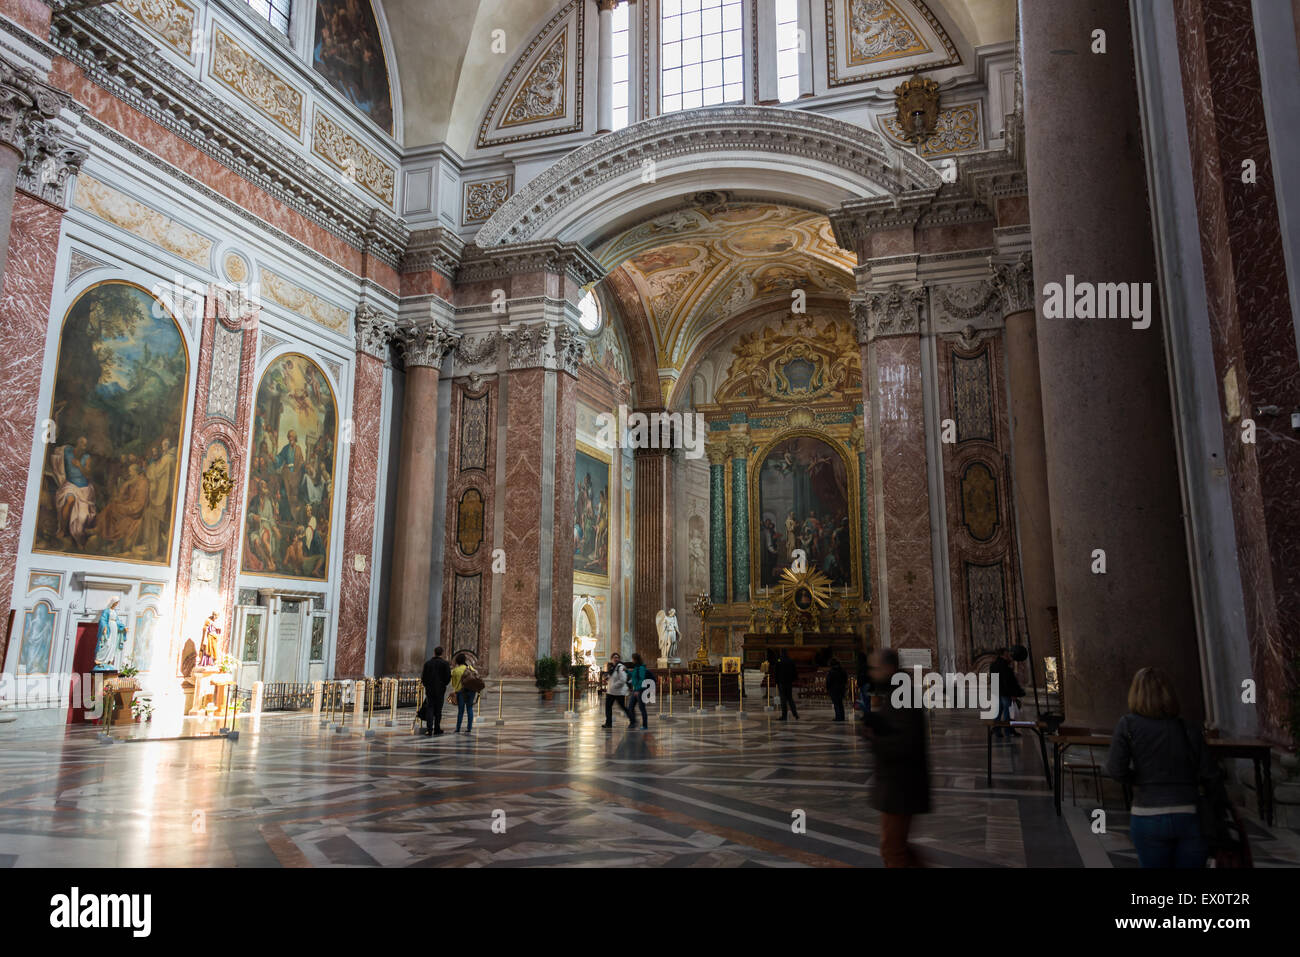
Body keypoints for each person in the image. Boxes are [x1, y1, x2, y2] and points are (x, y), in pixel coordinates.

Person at [1106, 667, 1219, 868]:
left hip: (1148, 813)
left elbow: (1115, 769)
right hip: (1188, 812)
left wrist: (1140, 780)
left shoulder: (1128, 725)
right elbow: (1209, 774)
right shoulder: (1188, 728)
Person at [861, 648, 930, 867]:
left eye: (876, 668)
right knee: (898, 848)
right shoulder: (898, 692)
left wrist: (874, 737)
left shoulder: (902, 694)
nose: (871, 673)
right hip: (899, 784)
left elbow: (904, 742)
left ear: (889, 668)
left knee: (893, 851)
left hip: (900, 784)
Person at [990, 647, 1025, 737]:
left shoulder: (993, 665)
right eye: (1007, 653)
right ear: (1003, 654)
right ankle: (1008, 730)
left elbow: (993, 680)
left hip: (998, 691)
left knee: (999, 711)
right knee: (1007, 712)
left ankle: (997, 730)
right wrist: (1012, 694)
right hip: (1005, 692)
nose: (1009, 654)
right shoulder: (1004, 665)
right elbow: (1007, 681)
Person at [420, 646, 451, 736]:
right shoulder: (445, 664)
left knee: (430, 708)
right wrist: (444, 684)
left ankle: (429, 729)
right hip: (440, 690)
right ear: (442, 653)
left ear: (434, 652)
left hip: (429, 689)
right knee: (438, 709)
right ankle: (437, 728)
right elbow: (448, 677)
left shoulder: (428, 663)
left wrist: (427, 685)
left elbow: (424, 677)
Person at [450, 653, 477, 733]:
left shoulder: (455, 671)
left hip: (461, 692)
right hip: (471, 691)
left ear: (457, 661)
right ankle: (469, 728)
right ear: (465, 660)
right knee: (470, 709)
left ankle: (458, 728)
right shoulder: (470, 668)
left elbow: (453, 684)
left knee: (460, 711)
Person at [623, 652, 649, 730]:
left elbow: (642, 679)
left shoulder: (641, 668)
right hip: (635, 690)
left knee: (642, 708)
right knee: (630, 707)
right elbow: (633, 676)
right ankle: (633, 722)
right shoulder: (636, 668)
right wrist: (627, 671)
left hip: (639, 690)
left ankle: (645, 725)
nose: (632, 660)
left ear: (635, 659)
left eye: (633, 659)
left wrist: (638, 690)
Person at [602, 652, 628, 728]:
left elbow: (623, 679)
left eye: (617, 657)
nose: (615, 659)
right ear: (612, 659)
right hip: (611, 692)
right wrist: (607, 678)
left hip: (618, 692)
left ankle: (632, 719)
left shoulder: (620, 667)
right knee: (608, 707)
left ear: (619, 659)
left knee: (623, 707)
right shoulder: (612, 668)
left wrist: (614, 686)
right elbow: (611, 678)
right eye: (614, 657)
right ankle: (608, 723)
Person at [774, 649, 799, 720]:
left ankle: (784, 716)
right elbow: (794, 671)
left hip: (781, 683)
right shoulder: (790, 660)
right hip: (789, 682)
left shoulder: (779, 661)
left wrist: (776, 681)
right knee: (790, 698)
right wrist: (792, 680)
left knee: (783, 699)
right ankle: (795, 714)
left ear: (781, 653)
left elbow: (776, 672)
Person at [826, 657, 848, 721]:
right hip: (841, 689)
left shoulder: (831, 672)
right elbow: (845, 679)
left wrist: (828, 689)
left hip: (833, 690)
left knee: (836, 704)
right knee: (840, 703)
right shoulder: (843, 670)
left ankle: (838, 717)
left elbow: (828, 681)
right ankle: (842, 717)